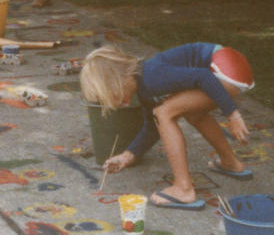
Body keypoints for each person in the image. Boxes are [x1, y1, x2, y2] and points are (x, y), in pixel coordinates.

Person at [82, 43, 253, 210]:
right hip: (229, 70)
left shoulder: (153, 75)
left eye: (113, 95)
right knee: (191, 113)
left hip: (226, 69)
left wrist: (233, 115)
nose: (117, 104)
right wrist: (128, 155)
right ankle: (231, 163)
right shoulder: (144, 85)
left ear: (121, 78)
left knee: (164, 113)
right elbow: (153, 126)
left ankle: (183, 189)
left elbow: (203, 76)